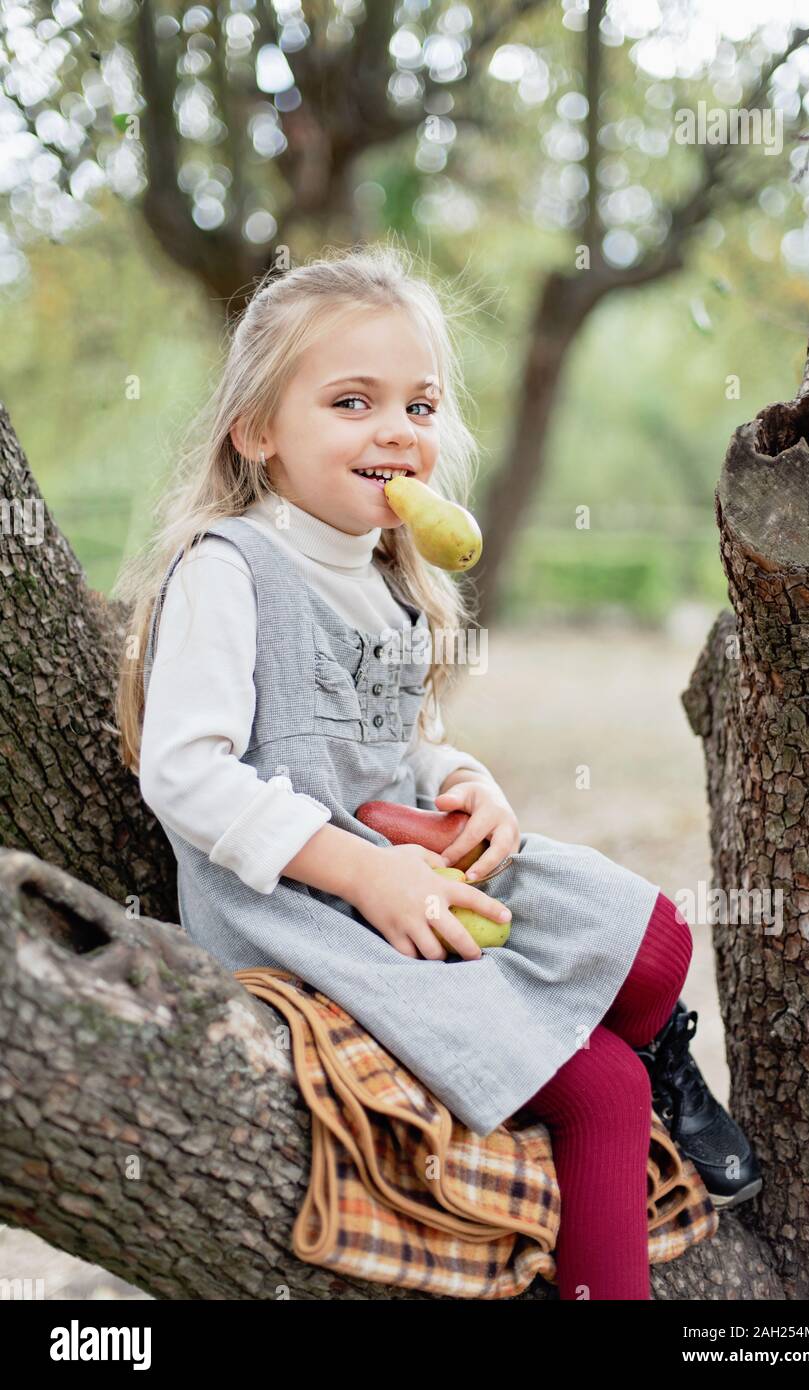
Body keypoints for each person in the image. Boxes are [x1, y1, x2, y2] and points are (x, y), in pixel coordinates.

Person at [113, 242, 735, 1301]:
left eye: (420, 405)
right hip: (303, 910)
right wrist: (363, 877)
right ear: (259, 431)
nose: (397, 430)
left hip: (401, 859)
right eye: (352, 401)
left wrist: (463, 777)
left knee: (658, 942)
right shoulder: (231, 568)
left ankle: (662, 1062)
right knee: (598, 1089)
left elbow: (392, 740)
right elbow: (186, 773)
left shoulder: (394, 581)